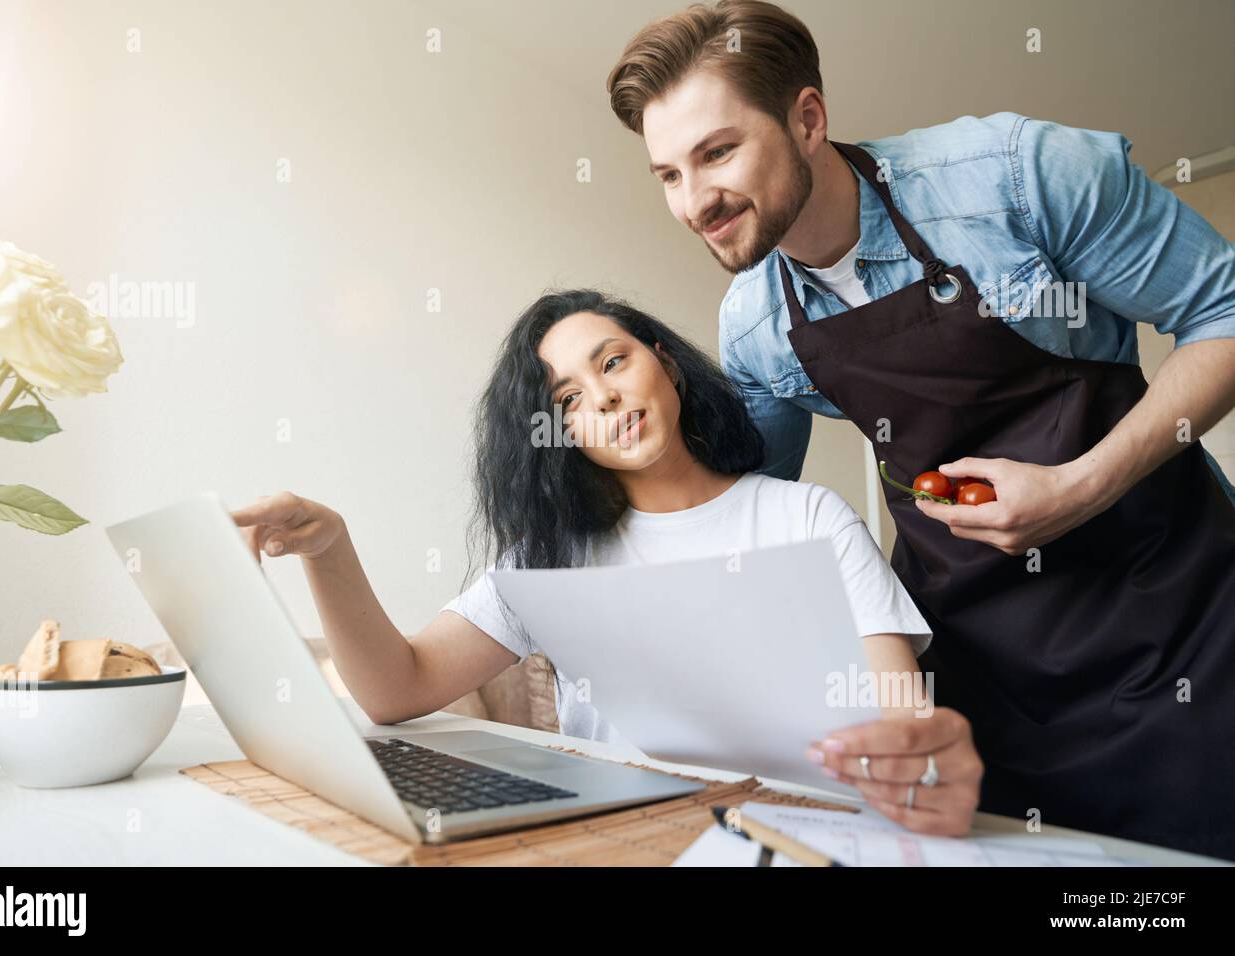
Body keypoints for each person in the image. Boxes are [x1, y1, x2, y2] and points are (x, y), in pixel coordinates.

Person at [605, 0, 1235, 858]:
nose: (695, 203)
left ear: (808, 118)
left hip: (1178, 621)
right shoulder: (754, 324)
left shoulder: (1018, 175)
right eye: (668, 175)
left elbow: (1224, 314)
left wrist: (1079, 487)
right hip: (980, 666)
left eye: (717, 153)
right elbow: (750, 520)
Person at [231, 289, 984, 836]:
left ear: (664, 361)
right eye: (569, 398)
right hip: (625, 843)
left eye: (613, 361)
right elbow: (398, 688)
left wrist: (928, 769)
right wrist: (331, 551)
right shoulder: (553, 558)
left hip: (804, 835)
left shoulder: (806, 516)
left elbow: (903, 719)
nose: (605, 397)